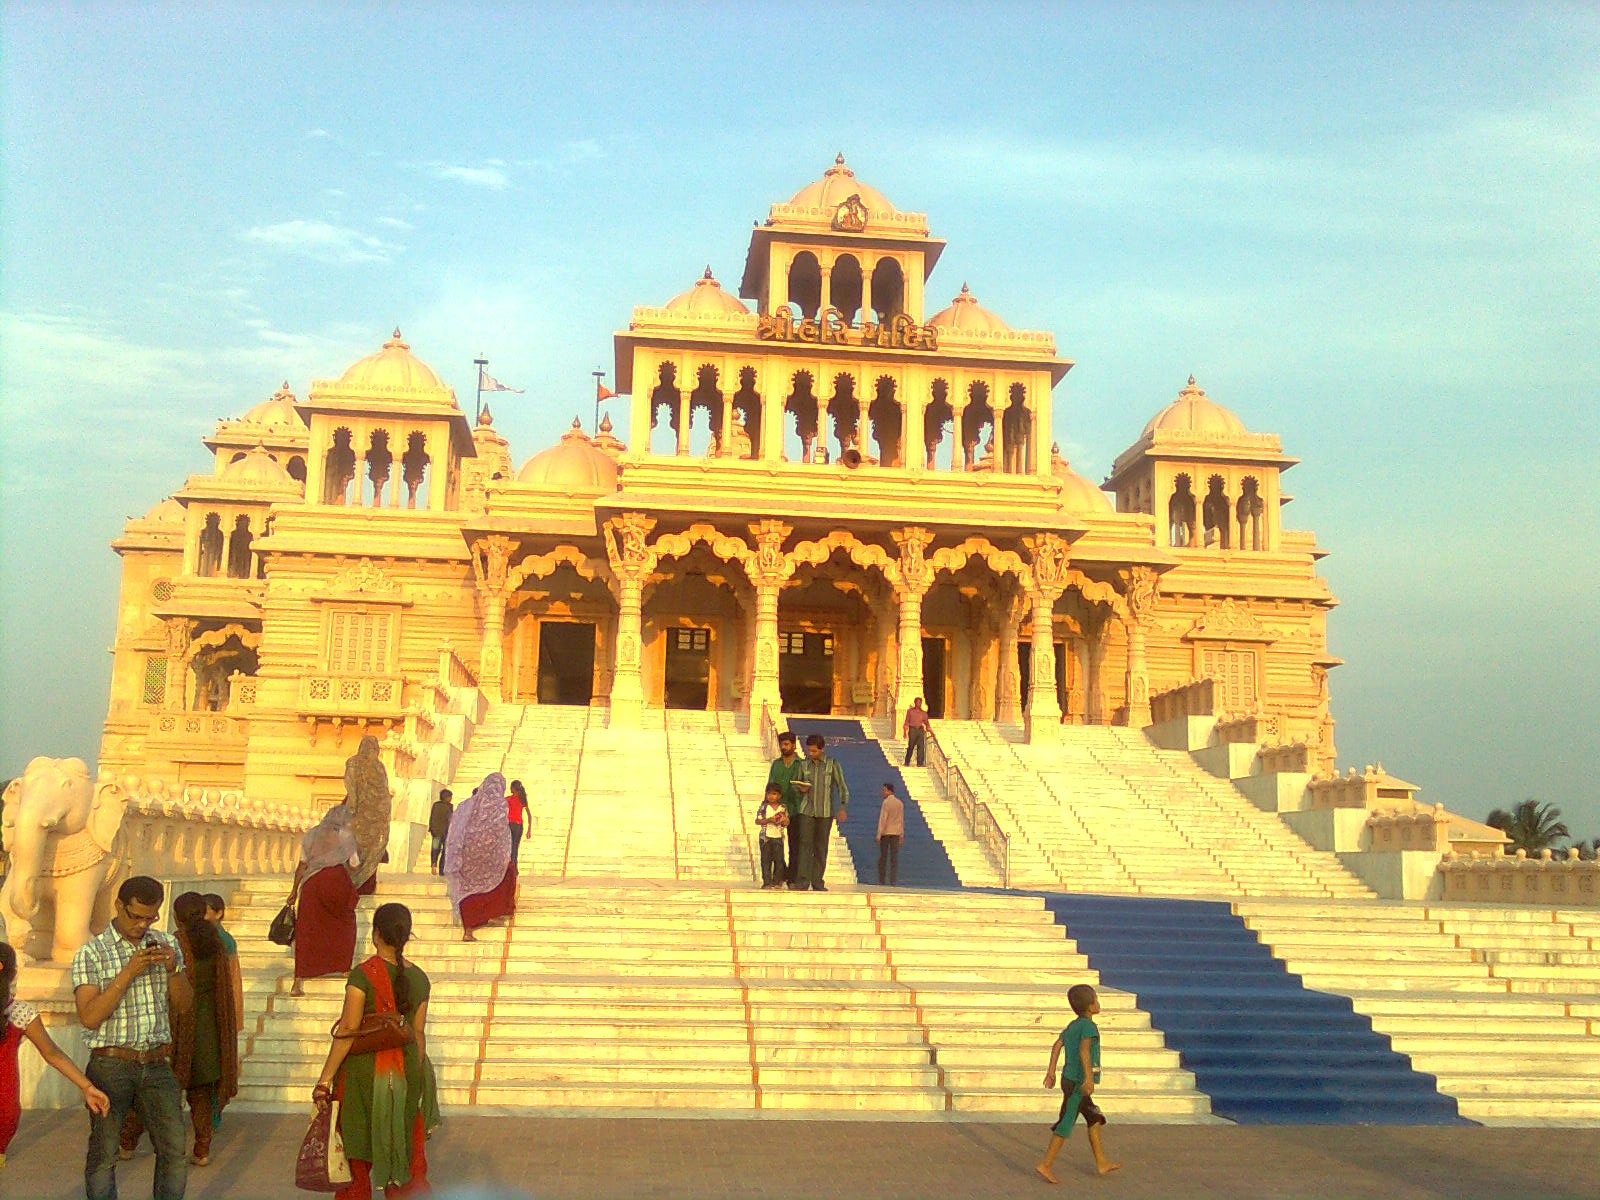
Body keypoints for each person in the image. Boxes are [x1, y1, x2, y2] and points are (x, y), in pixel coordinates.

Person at [72, 874, 194, 1200]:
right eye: (135, 916)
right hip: (111, 1063)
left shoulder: (166, 944)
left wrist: (173, 969)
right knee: (105, 1153)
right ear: (119, 906)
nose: (142, 924)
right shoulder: (93, 952)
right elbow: (89, 1016)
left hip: (155, 1062)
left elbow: (184, 1006)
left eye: (149, 917)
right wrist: (127, 973)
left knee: (174, 1149)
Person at [313, 902, 433, 1199]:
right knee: (399, 1151)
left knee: (356, 1158)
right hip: (404, 1075)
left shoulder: (363, 975)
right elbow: (418, 1035)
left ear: (376, 933)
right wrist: (414, 1080)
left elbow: (348, 1030)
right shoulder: (420, 978)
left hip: (363, 1079)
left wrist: (324, 1080)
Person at [119, 893, 238, 1168]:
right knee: (201, 1094)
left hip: (178, 1025)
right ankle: (202, 1150)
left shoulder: (173, 943)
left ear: (176, 916)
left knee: (152, 1090)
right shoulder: (216, 944)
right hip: (210, 1028)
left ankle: (127, 1143)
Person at [2, 941, 111, 1170]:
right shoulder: (20, 1013)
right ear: (13, 975)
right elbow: (52, 1054)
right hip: (4, 1112)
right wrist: (87, 1087)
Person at [1037, 983, 1121, 1183]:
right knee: (1066, 1122)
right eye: (1096, 1000)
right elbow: (1085, 1051)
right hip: (1078, 1082)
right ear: (1091, 1007)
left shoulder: (1073, 1026)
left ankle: (1101, 1162)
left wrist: (1051, 1072)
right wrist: (1089, 1078)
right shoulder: (1089, 1028)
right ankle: (1046, 1164)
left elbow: (1057, 1046)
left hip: (1069, 1078)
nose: (1098, 1003)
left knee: (1094, 1117)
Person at [291, 806, 361, 998]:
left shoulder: (311, 834)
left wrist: (293, 891)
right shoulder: (345, 835)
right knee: (345, 923)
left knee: (307, 930)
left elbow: (302, 865)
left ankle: (297, 982)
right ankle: (344, 968)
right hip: (336, 882)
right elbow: (354, 864)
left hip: (311, 884)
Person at [444, 774, 515, 942]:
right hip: (491, 857)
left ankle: (468, 931)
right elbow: (502, 832)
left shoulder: (468, 804)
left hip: (468, 856)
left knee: (468, 890)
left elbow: (457, 828)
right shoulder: (500, 805)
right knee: (505, 875)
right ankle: (495, 913)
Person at [793, 734, 849, 892]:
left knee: (821, 847)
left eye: (814, 751)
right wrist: (800, 788)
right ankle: (802, 881)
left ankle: (817, 881)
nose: (811, 754)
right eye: (809, 751)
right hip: (806, 811)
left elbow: (841, 786)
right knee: (804, 845)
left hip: (825, 813)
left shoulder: (832, 765)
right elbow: (794, 785)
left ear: (822, 749)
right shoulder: (803, 765)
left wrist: (843, 807)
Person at [344, 734, 392, 896]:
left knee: (354, 849)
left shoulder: (353, 763)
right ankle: (365, 885)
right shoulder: (379, 767)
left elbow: (351, 789)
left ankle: (352, 884)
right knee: (371, 852)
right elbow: (385, 793)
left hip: (359, 816)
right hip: (377, 819)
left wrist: (350, 810)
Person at [765, 731, 806, 887]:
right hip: (778, 810)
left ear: (794, 746)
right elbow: (770, 785)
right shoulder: (776, 764)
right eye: (782, 744)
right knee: (776, 845)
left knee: (795, 845)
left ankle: (793, 878)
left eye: (787, 744)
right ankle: (780, 874)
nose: (784, 747)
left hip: (796, 809)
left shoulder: (801, 764)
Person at [755, 784, 788, 889]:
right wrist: (769, 820)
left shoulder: (782, 808)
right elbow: (757, 820)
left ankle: (777, 882)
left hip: (778, 837)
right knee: (765, 861)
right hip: (766, 838)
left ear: (779, 795)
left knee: (779, 861)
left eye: (774, 794)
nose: (771, 797)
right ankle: (767, 882)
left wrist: (783, 820)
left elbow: (787, 821)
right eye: (769, 794)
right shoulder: (764, 807)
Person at [876, 783, 905, 886]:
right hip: (896, 833)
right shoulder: (900, 803)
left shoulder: (886, 803)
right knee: (894, 858)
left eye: (884, 790)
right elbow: (901, 820)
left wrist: (879, 834)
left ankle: (882, 879)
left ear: (889, 791)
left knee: (883, 857)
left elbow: (883, 819)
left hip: (886, 832)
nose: (883, 793)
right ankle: (893, 880)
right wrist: (902, 834)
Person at [426, 790, 454, 876]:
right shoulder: (449, 806)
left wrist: (431, 828)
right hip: (445, 832)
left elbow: (432, 817)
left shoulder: (436, 805)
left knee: (435, 849)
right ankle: (442, 869)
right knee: (445, 851)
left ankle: (434, 864)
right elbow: (450, 819)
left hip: (436, 833)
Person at [507, 779, 532, 863]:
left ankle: (511, 868)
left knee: (510, 848)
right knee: (515, 848)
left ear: (514, 788)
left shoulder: (509, 799)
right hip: (519, 826)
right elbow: (529, 815)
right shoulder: (522, 799)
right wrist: (529, 829)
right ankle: (514, 868)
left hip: (511, 825)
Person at [902, 697, 930, 766]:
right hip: (912, 730)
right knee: (911, 746)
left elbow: (926, 722)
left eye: (920, 702)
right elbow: (906, 721)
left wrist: (929, 729)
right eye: (917, 702)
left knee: (921, 746)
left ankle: (920, 763)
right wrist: (905, 732)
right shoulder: (910, 711)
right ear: (915, 703)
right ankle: (907, 761)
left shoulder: (923, 713)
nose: (919, 704)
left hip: (920, 730)